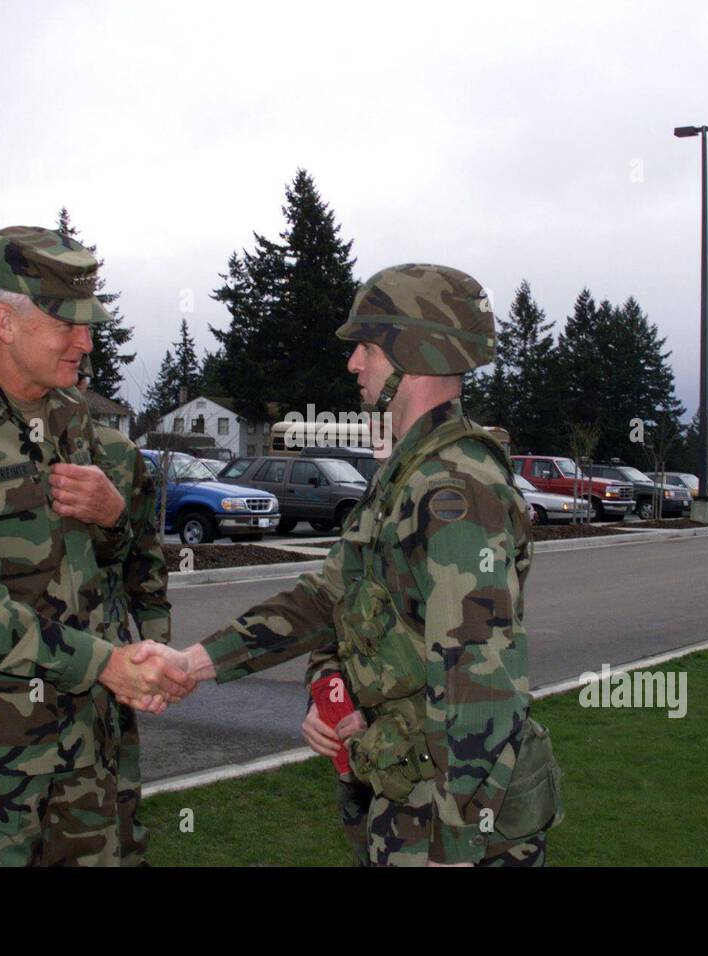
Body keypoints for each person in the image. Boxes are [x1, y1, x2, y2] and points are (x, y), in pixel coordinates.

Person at [141, 264, 562, 866]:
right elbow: (325, 600)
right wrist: (194, 662)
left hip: (450, 827)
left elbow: (479, 684)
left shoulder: (453, 491)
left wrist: (457, 845)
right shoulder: (409, 474)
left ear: (411, 352)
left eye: (366, 347)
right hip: (404, 800)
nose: (353, 364)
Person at [0, 225, 192, 867]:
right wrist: (103, 663)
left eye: (88, 323)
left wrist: (112, 519)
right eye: (67, 323)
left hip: (86, 746)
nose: (86, 340)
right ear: (6, 321)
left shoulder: (74, 419)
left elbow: (106, 567)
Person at [79, 352, 170, 864]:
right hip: (23, 666)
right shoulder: (0, 449)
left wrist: (158, 645)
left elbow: (146, 560)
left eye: (81, 376)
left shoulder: (119, 454)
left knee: (118, 799)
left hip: (111, 661)